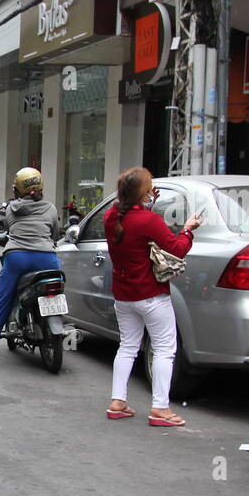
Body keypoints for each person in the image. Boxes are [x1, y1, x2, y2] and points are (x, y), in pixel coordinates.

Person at [103, 167, 199, 426]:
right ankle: (160, 408)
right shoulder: (149, 220)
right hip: (152, 295)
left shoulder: (111, 217)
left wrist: (147, 201)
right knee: (165, 349)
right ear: (143, 194)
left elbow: (132, 220)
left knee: (128, 346)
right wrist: (188, 229)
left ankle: (117, 401)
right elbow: (177, 248)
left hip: (123, 295)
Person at [0, 167, 63, 363]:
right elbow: (54, 234)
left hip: (17, 257)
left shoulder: (12, 209)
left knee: (1, 303)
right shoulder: (51, 208)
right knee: (57, 288)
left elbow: (9, 228)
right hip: (47, 258)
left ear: (17, 189)